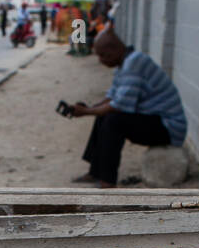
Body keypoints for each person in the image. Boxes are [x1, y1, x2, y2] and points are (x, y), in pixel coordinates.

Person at [64, 29, 186, 188]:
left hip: (169, 128)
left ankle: (107, 181)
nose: (101, 61)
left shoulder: (134, 63)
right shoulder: (124, 63)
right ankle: (95, 172)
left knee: (114, 121)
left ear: (115, 50)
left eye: (104, 56)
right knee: (103, 116)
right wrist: (90, 108)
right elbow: (112, 96)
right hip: (155, 120)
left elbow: (119, 105)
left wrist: (86, 112)